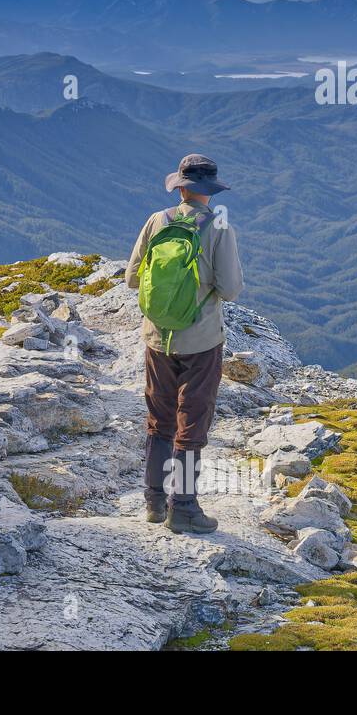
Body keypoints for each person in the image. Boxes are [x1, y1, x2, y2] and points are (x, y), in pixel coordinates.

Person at [124, 154, 243, 534]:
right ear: (209, 191)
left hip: (157, 339)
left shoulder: (157, 221)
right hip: (201, 341)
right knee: (191, 420)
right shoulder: (219, 228)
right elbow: (231, 289)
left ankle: (154, 503)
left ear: (180, 186)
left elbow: (131, 278)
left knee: (159, 419)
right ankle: (185, 507)